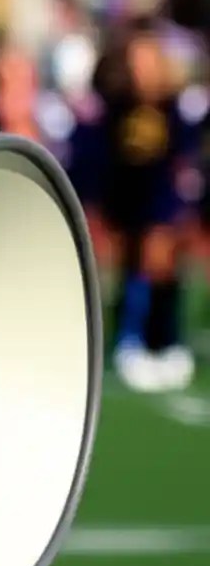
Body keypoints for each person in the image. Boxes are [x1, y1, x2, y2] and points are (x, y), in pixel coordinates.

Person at [91, 19, 203, 392]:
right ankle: (129, 340)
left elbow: (183, 159)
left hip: (162, 199)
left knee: (161, 264)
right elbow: (109, 154)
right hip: (128, 197)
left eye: (147, 59)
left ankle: (164, 341)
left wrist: (179, 206)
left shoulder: (174, 106)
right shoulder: (118, 104)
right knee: (130, 266)